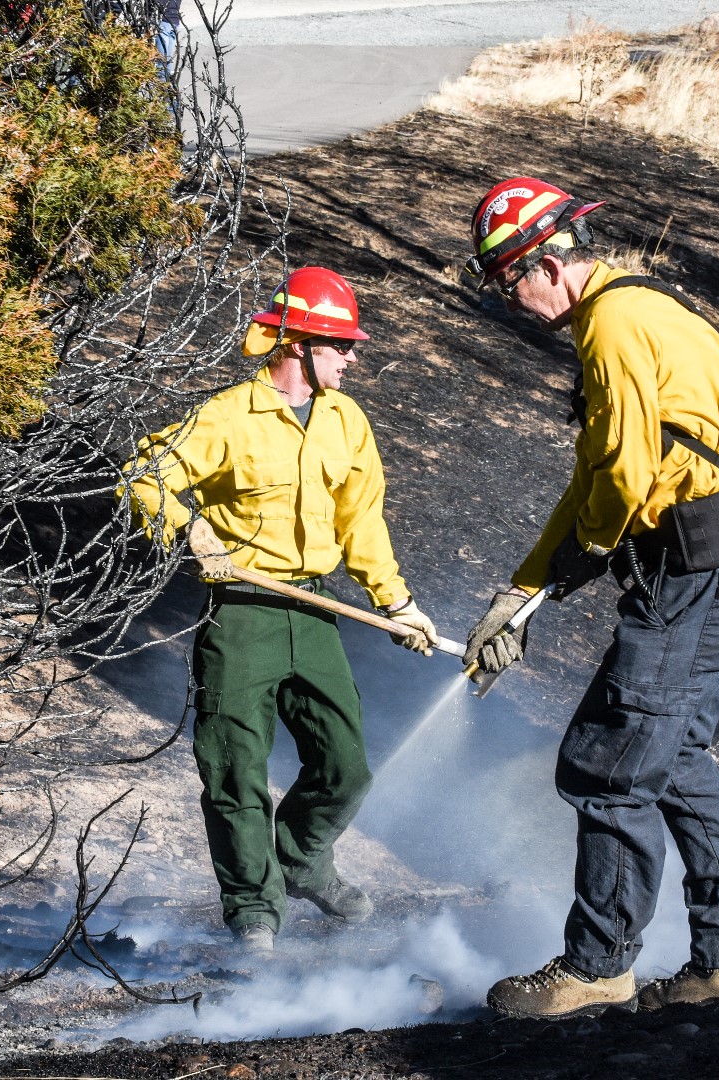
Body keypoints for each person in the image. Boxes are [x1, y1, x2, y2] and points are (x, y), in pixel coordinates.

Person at [459, 177, 719, 1017]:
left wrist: (579, 562)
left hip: (689, 572)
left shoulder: (612, 327)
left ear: (548, 263)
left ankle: (596, 969)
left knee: (605, 767)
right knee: (675, 759)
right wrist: (524, 591)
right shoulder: (645, 309)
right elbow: (597, 475)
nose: (510, 301)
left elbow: (624, 483)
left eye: (506, 282)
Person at [124, 266, 439, 953]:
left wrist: (400, 604)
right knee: (235, 770)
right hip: (240, 611)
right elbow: (146, 476)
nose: (353, 358)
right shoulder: (229, 416)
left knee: (345, 764)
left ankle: (300, 860)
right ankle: (254, 912)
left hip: (313, 609)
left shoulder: (347, 420)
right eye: (341, 346)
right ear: (296, 345)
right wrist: (189, 528)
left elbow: (364, 523)